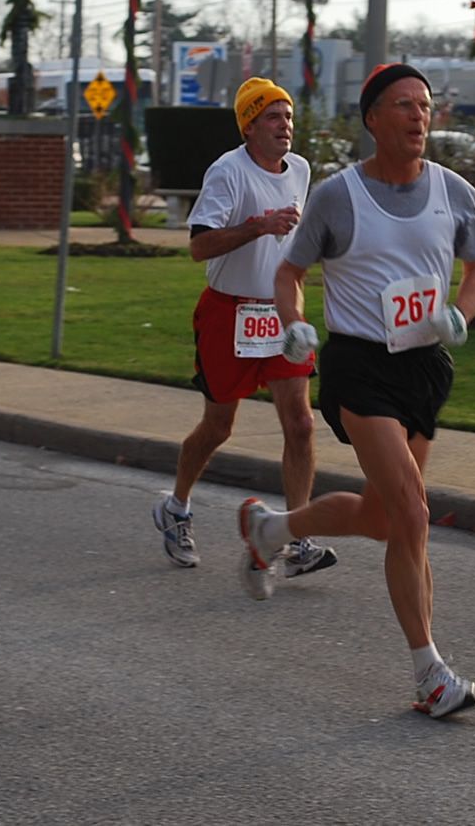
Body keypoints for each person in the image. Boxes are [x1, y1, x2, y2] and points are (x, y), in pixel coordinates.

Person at [236, 63, 475, 719]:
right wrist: (294, 324)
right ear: (373, 118)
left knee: (383, 518)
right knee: (413, 511)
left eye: (426, 105)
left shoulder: (454, 191)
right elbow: (291, 273)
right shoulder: (339, 196)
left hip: (423, 366)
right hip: (359, 365)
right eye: (403, 105)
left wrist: (461, 312)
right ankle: (429, 673)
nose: (418, 116)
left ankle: (272, 529)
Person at [152, 77, 337, 586]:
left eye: (290, 117)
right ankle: (176, 508)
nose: (286, 127)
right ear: (250, 124)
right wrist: (259, 225)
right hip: (227, 313)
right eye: (275, 117)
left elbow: (293, 247)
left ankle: (296, 539)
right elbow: (199, 247)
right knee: (218, 427)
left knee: (300, 424)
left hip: (278, 313)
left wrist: (298, 307)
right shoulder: (227, 172)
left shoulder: (299, 170)